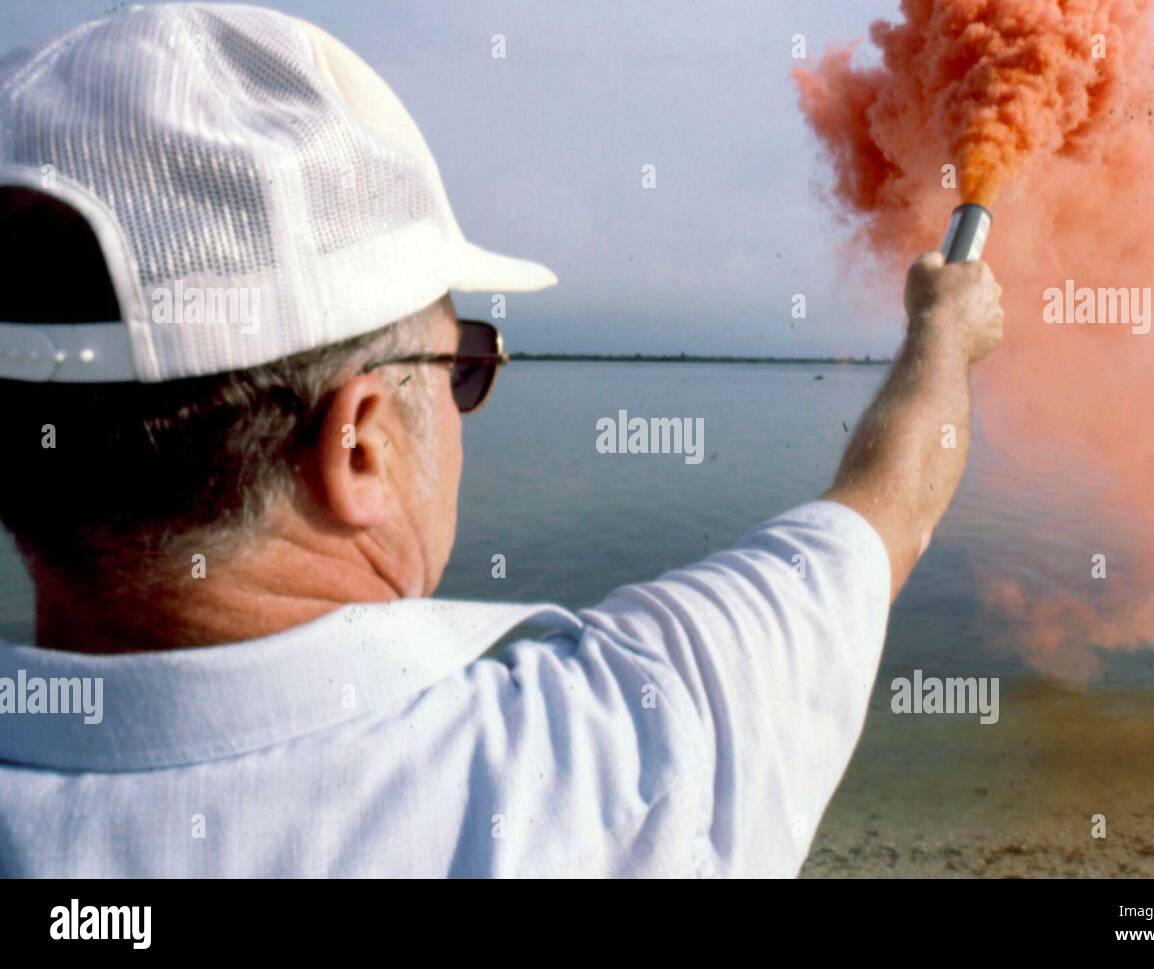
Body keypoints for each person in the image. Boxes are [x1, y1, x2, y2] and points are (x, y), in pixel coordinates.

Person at [0, 3, 1002, 877]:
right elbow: (884, 513)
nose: (472, 395)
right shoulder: (620, 751)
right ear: (359, 444)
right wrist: (944, 330)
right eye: (463, 365)